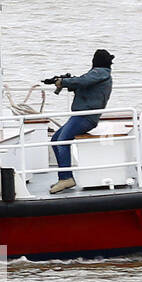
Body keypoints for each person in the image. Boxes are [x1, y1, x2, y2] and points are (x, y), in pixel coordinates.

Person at [45, 49, 115, 194]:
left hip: (85, 117)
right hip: (81, 116)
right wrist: (65, 82)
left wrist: (63, 82)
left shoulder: (100, 73)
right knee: (55, 139)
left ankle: (66, 178)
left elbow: (83, 81)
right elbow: (83, 83)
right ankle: (63, 177)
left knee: (63, 140)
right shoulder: (100, 74)